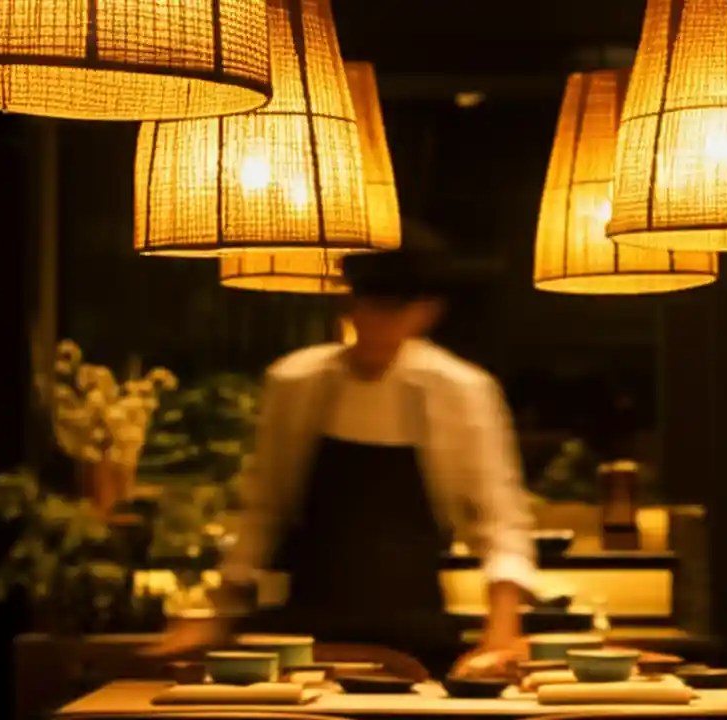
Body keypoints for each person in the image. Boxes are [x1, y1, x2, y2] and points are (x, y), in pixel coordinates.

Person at [151, 230, 536, 677]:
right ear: (349, 302)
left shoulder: (461, 391)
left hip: (417, 635)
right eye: (367, 305)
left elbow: (501, 520)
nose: (376, 322)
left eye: (394, 310)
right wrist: (220, 615)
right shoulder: (296, 383)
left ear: (426, 313)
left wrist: (501, 634)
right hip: (305, 634)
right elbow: (263, 512)